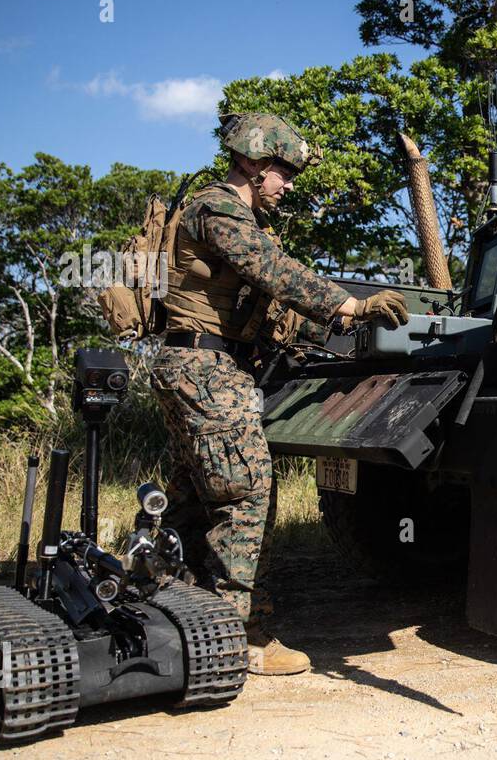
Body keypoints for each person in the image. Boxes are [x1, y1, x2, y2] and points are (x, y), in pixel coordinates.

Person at [151, 111, 409, 675]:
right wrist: (350, 304)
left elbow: (274, 311)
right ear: (253, 162)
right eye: (283, 173)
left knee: (194, 497)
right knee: (247, 491)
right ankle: (241, 638)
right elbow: (273, 272)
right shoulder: (217, 208)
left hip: (199, 363)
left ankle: (170, 613)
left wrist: (347, 329)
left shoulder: (242, 219)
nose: (287, 185)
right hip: (205, 366)